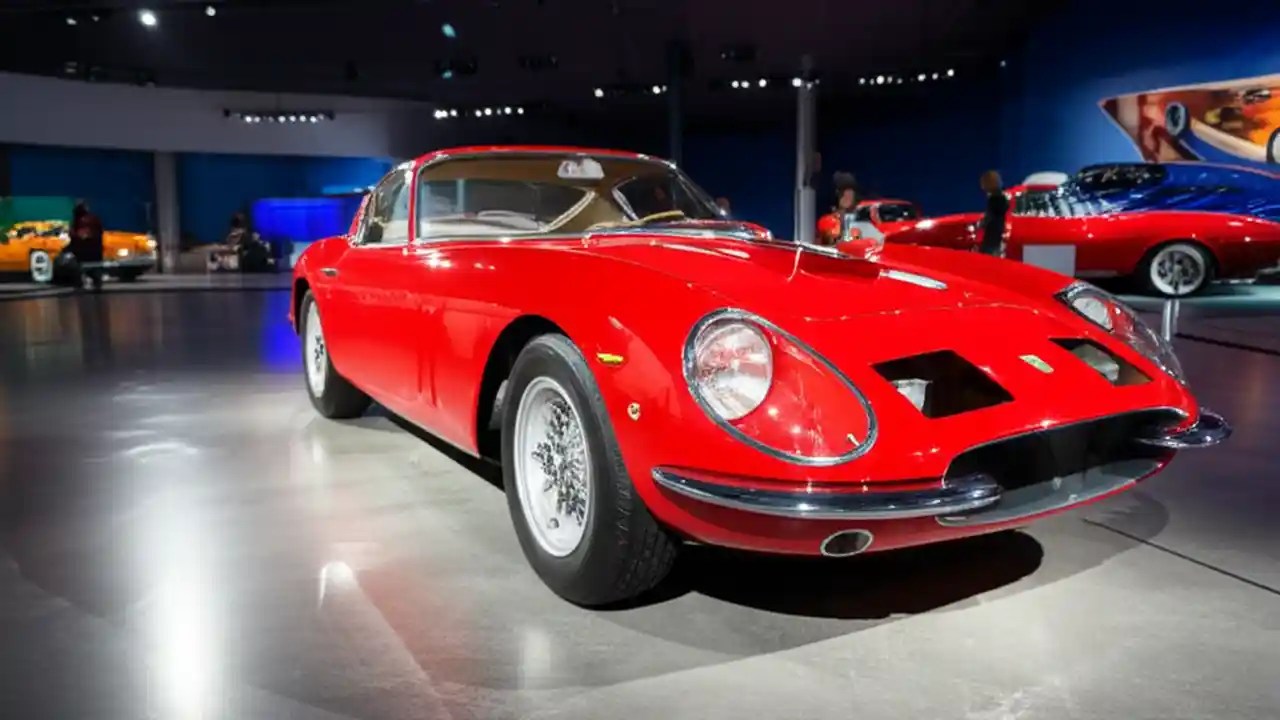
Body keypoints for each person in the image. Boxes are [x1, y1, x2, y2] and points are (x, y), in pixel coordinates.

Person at [68, 201, 105, 291]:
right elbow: (100, 232)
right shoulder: (92, 219)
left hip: (84, 249)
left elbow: (73, 234)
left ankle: (82, 284)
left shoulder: (78, 220)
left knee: (83, 268)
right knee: (94, 268)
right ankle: (96, 284)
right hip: (92, 249)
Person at [815, 171, 859, 245]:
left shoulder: (857, 224)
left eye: (851, 192)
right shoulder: (827, 221)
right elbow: (829, 245)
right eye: (843, 192)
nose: (848, 196)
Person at [978, 170, 1009, 256]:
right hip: (997, 235)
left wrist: (982, 224)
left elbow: (990, 217)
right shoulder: (1002, 198)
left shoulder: (994, 199)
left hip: (991, 236)